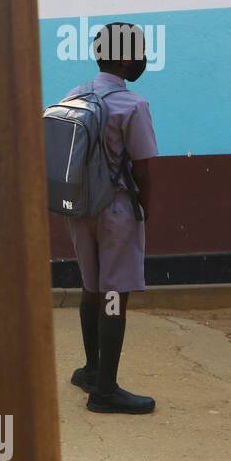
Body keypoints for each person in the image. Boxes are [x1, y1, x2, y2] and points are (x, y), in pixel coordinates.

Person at [65, 23, 158, 415]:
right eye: (139, 52)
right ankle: (106, 390)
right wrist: (144, 209)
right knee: (116, 293)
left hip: (79, 207)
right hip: (117, 209)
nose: (142, 60)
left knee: (91, 286)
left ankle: (91, 370)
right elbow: (145, 168)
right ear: (123, 57)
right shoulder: (131, 105)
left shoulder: (73, 96)